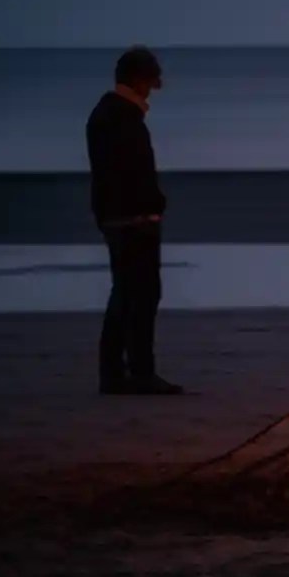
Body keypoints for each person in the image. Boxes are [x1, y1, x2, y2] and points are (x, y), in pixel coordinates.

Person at [86, 47, 183, 395]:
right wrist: (151, 206)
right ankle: (137, 371)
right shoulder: (121, 117)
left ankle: (116, 372)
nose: (151, 90)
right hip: (131, 219)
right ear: (139, 79)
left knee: (126, 294)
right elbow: (128, 173)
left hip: (120, 217)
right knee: (140, 295)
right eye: (149, 81)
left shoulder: (111, 114)